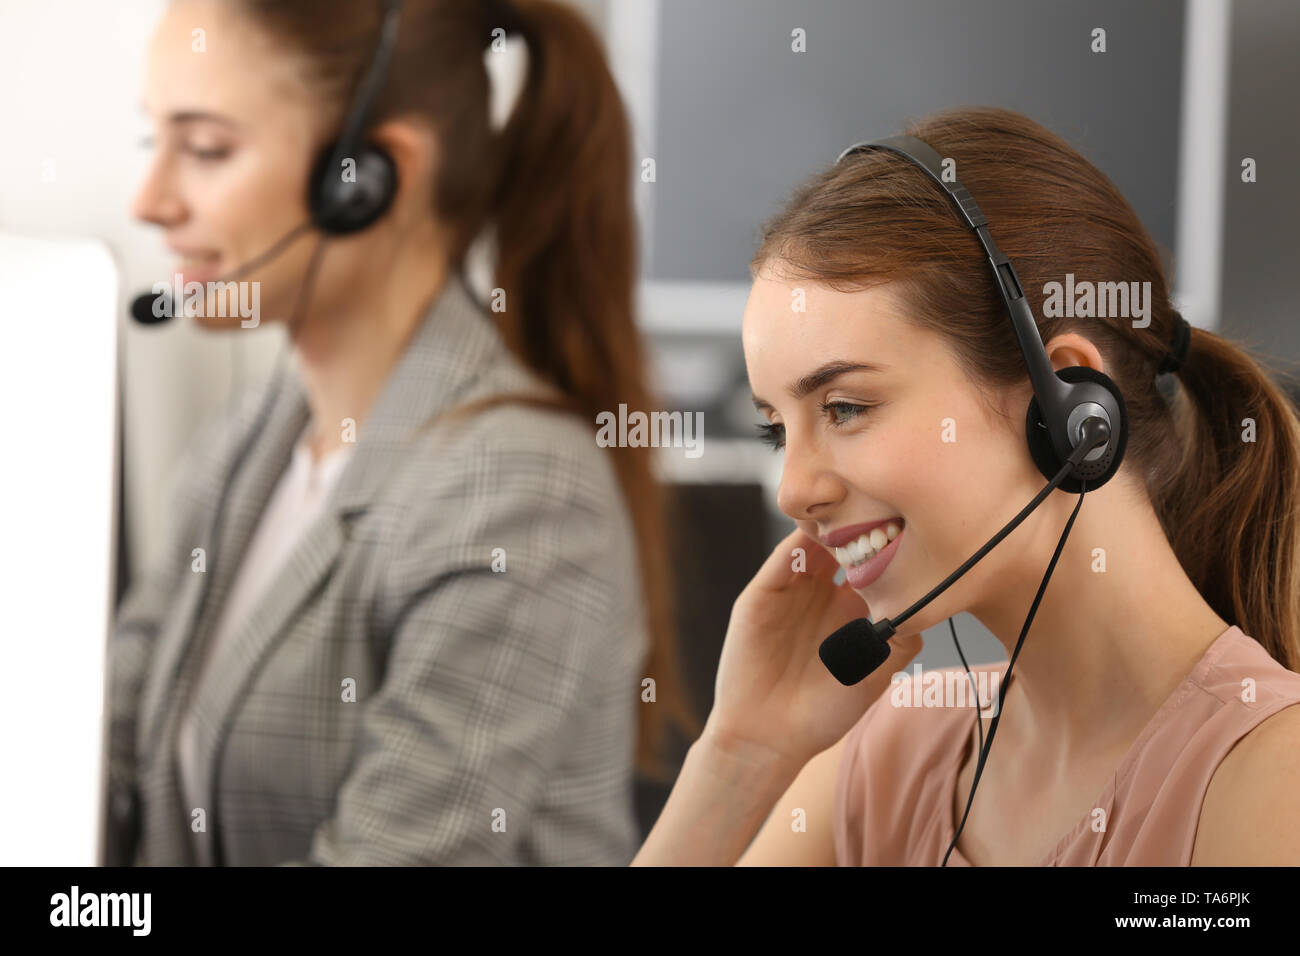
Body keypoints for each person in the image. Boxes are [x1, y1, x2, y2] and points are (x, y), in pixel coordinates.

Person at [108, 0, 696, 866]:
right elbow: (112, 760)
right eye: (149, 143)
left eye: (205, 150)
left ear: (368, 178)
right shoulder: (248, 444)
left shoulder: (517, 492)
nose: (150, 201)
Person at [633, 106, 1300, 866]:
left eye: (845, 408)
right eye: (777, 431)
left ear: (1070, 408)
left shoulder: (1270, 784)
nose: (793, 491)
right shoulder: (889, 758)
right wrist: (742, 754)